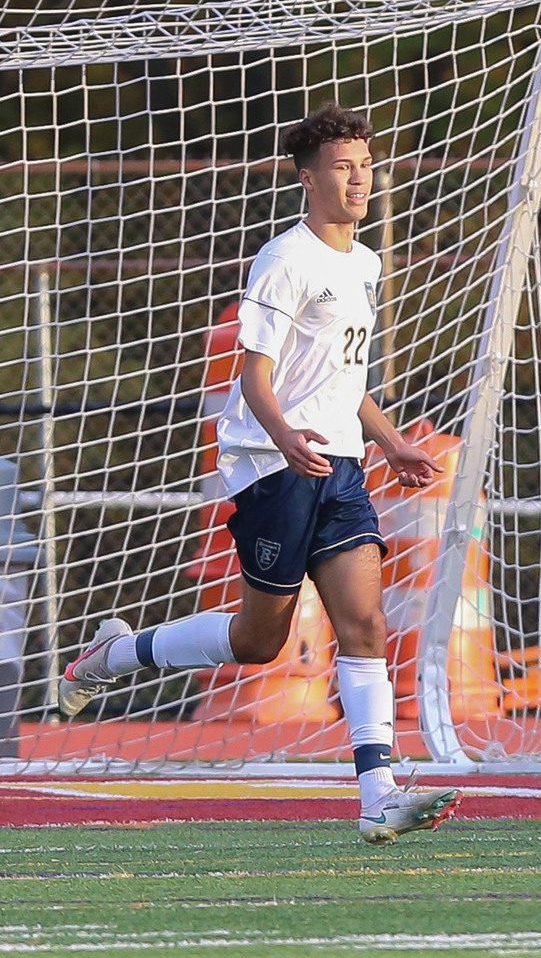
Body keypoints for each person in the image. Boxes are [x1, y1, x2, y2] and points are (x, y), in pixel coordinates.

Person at [60, 103, 462, 845]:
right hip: (272, 470)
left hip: (340, 469)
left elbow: (344, 378)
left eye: (365, 166)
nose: (358, 179)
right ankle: (110, 656)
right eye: (342, 167)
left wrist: (391, 441)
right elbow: (255, 377)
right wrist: (287, 439)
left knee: (363, 623)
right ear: (307, 178)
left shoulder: (365, 263)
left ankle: (378, 796)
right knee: (258, 642)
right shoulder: (285, 259)